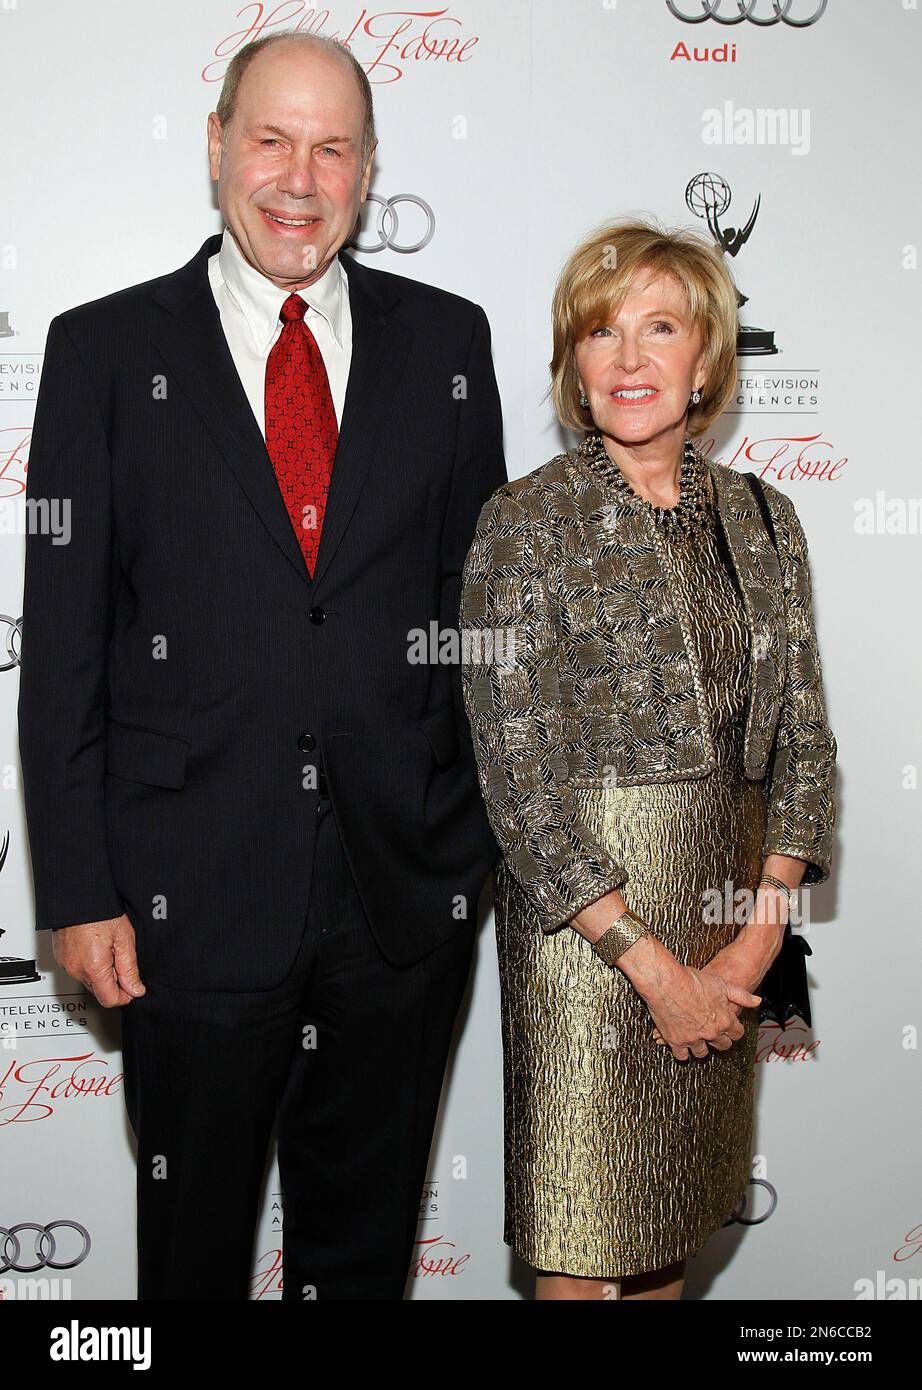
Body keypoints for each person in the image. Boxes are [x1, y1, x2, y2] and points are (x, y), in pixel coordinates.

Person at [18, 30, 505, 1300]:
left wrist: (466, 841)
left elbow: (478, 612)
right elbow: (62, 646)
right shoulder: (103, 352)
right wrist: (77, 889)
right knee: (193, 1256)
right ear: (220, 147)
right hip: (187, 896)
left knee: (359, 1255)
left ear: (368, 168)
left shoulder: (448, 344)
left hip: (400, 902)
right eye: (273, 139)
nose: (300, 176)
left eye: (332, 146)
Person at [460, 218, 837, 1301]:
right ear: (572, 365)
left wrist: (753, 943)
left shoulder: (769, 520)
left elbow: (805, 742)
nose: (628, 359)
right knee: (582, 1257)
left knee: (670, 1230)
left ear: (706, 356)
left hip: (730, 928)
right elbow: (513, 776)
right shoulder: (523, 521)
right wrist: (650, 964)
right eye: (599, 332)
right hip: (586, 943)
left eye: (658, 328)